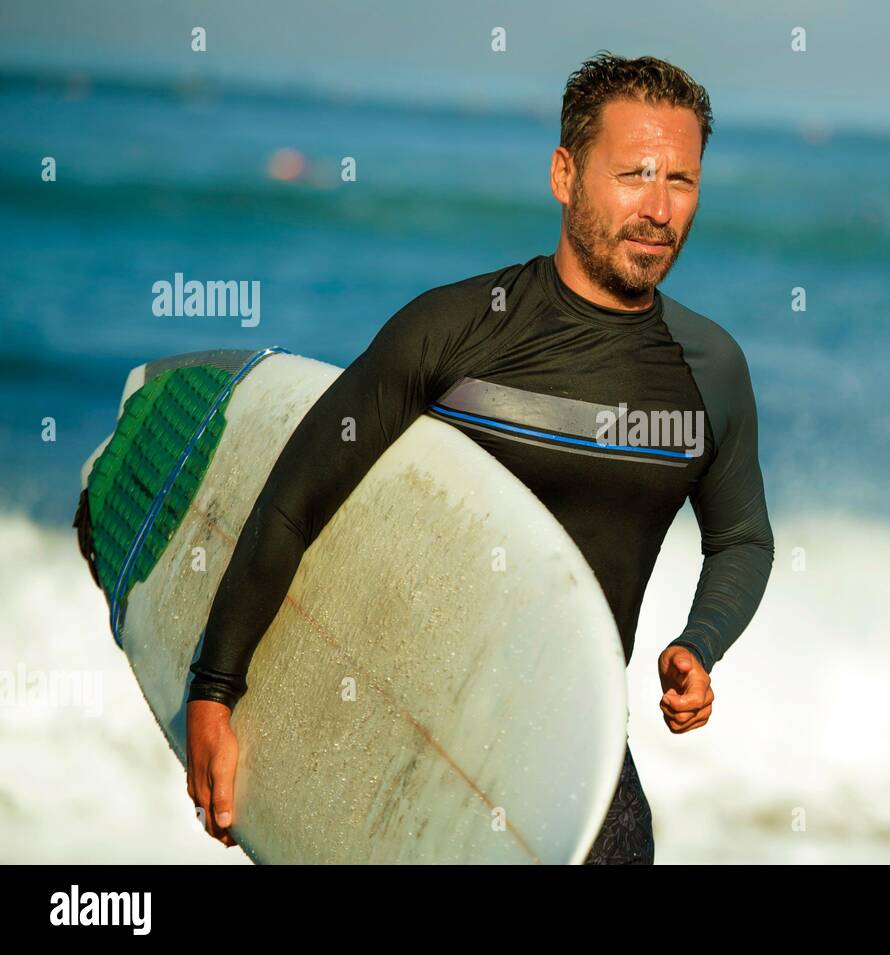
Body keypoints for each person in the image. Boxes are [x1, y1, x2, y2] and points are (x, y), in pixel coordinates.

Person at [185, 51, 774, 865]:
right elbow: (297, 497)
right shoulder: (453, 331)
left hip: (573, 773)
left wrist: (699, 643)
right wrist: (214, 693)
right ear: (564, 175)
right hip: (402, 747)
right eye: (634, 173)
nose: (659, 208)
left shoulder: (710, 370)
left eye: (682, 180)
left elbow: (743, 537)